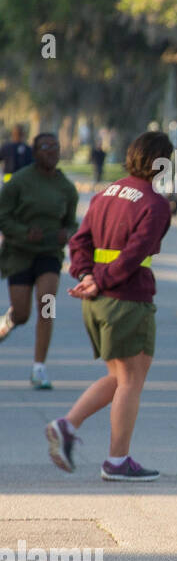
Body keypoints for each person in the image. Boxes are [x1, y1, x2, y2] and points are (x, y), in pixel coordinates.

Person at [45, 131, 174, 482]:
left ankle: (67, 425)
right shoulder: (155, 203)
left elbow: (79, 241)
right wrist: (99, 280)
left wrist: (86, 274)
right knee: (130, 381)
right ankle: (117, 461)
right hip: (127, 300)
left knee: (120, 376)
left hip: (98, 299)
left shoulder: (106, 194)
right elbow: (135, 254)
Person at [0, 133, 79, 389]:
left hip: (49, 255)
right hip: (19, 254)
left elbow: (71, 222)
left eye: (56, 148)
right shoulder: (19, 182)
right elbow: (3, 216)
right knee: (22, 314)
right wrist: (24, 233)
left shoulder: (65, 187)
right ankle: (9, 321)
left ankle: (39, 368)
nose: (52, 153)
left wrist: (66, 233)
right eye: (46, 148)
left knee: (47, 305)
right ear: (35, 153)